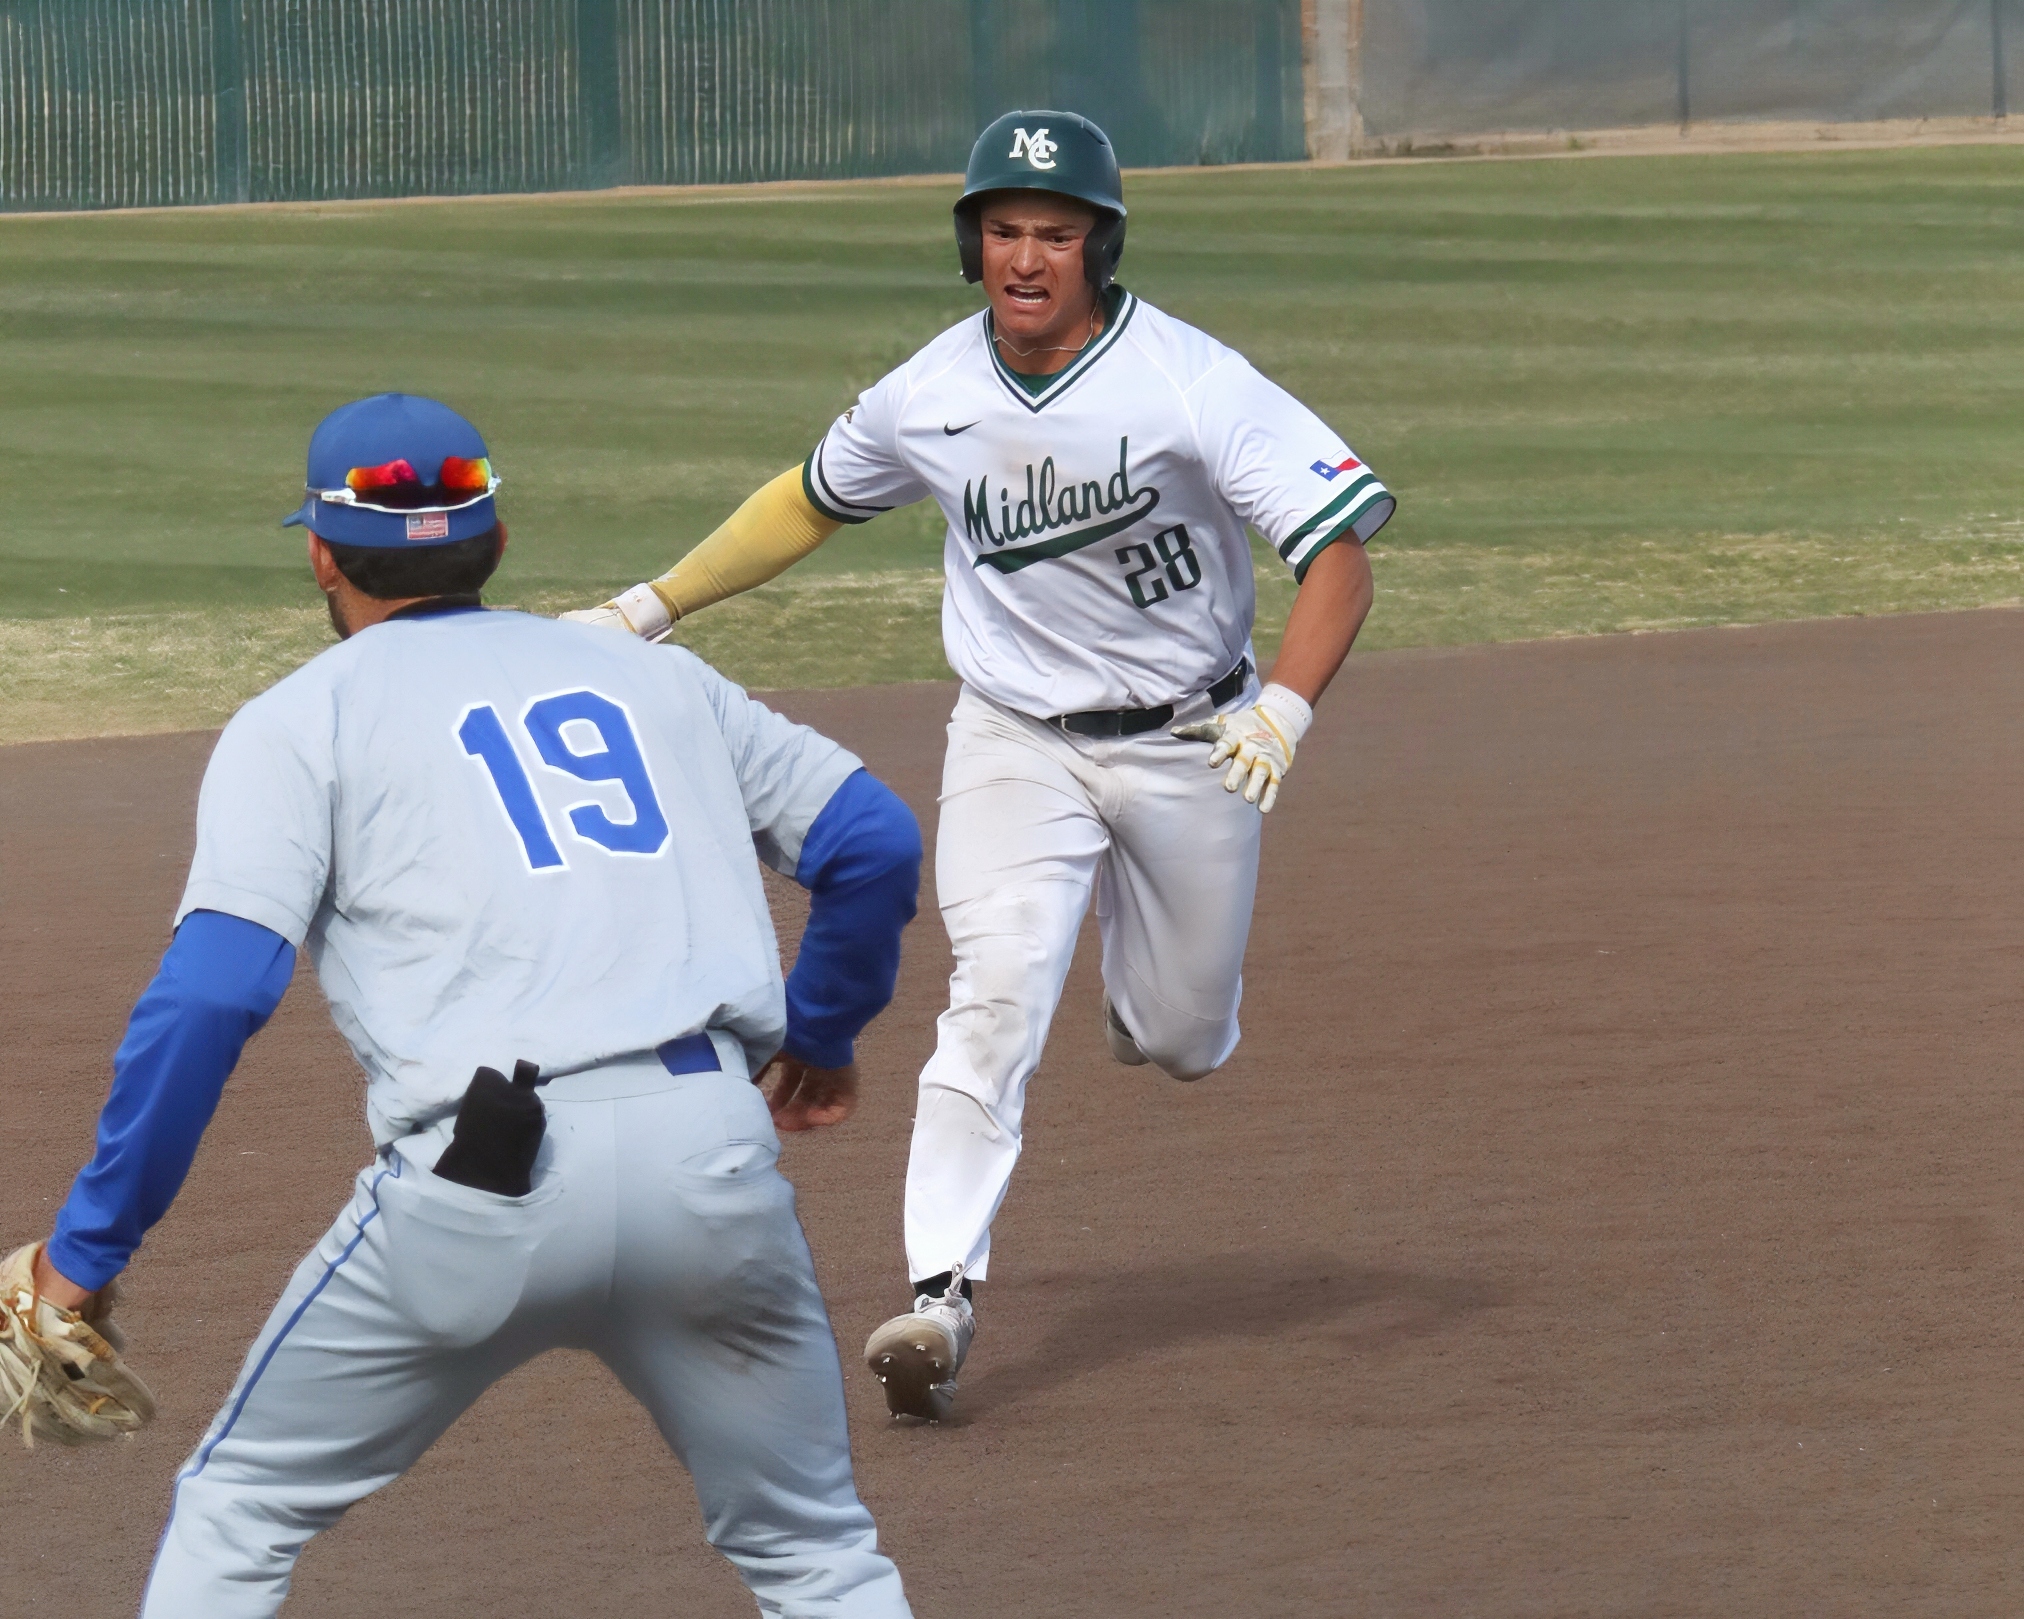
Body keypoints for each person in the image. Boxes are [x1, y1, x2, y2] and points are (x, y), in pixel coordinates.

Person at [24, 392, 921, 1616]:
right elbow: (869, 841)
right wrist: (818, 1035)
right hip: (708, 1156)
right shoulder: (646, 671)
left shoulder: (297, 722)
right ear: (494, 541)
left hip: (477, 1189)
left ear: (322, 552)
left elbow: (212, 995)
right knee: (816, 1553)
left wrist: (86, 1252)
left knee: (242, 1508)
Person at [564, 110, 1395, 1422]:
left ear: (1098, 246)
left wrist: (1285, 705)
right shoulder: (931, 391)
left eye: (1054, 234)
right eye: (1004, 231)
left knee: (1179, 1033)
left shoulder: (1188, 378)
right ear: (972, 244)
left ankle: (1153, 989)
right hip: (1014, 741)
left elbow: (1339, 547)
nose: (1025, 257)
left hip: (1195, 741)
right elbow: (808, 496)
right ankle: (940, 1293)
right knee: (992, 996)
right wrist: (648, 606)